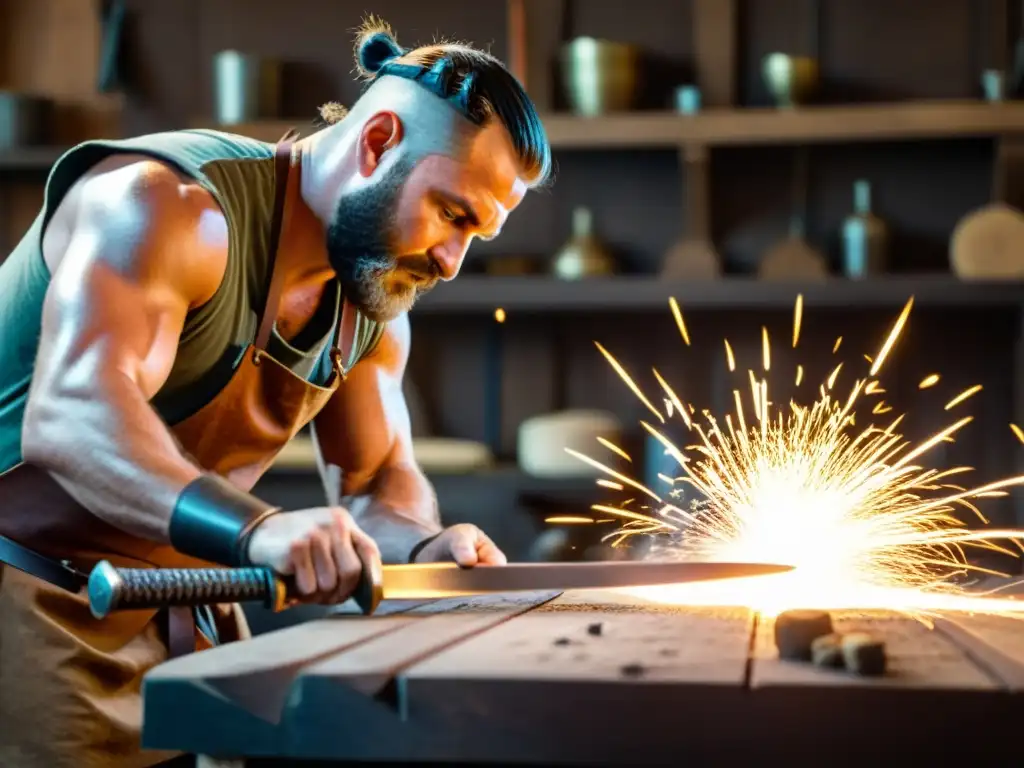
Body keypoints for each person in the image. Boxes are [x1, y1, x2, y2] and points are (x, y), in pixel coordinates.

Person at [0, 16, 552, 768]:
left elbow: (374, 480)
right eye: (451, 213)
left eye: (476, 235)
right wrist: (257, 531)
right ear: (379, 140)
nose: (452, 262)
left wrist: (426, 542)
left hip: (189, 614)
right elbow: (71, 420)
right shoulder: (169, 208)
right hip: (34, 600)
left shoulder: (372, 291)